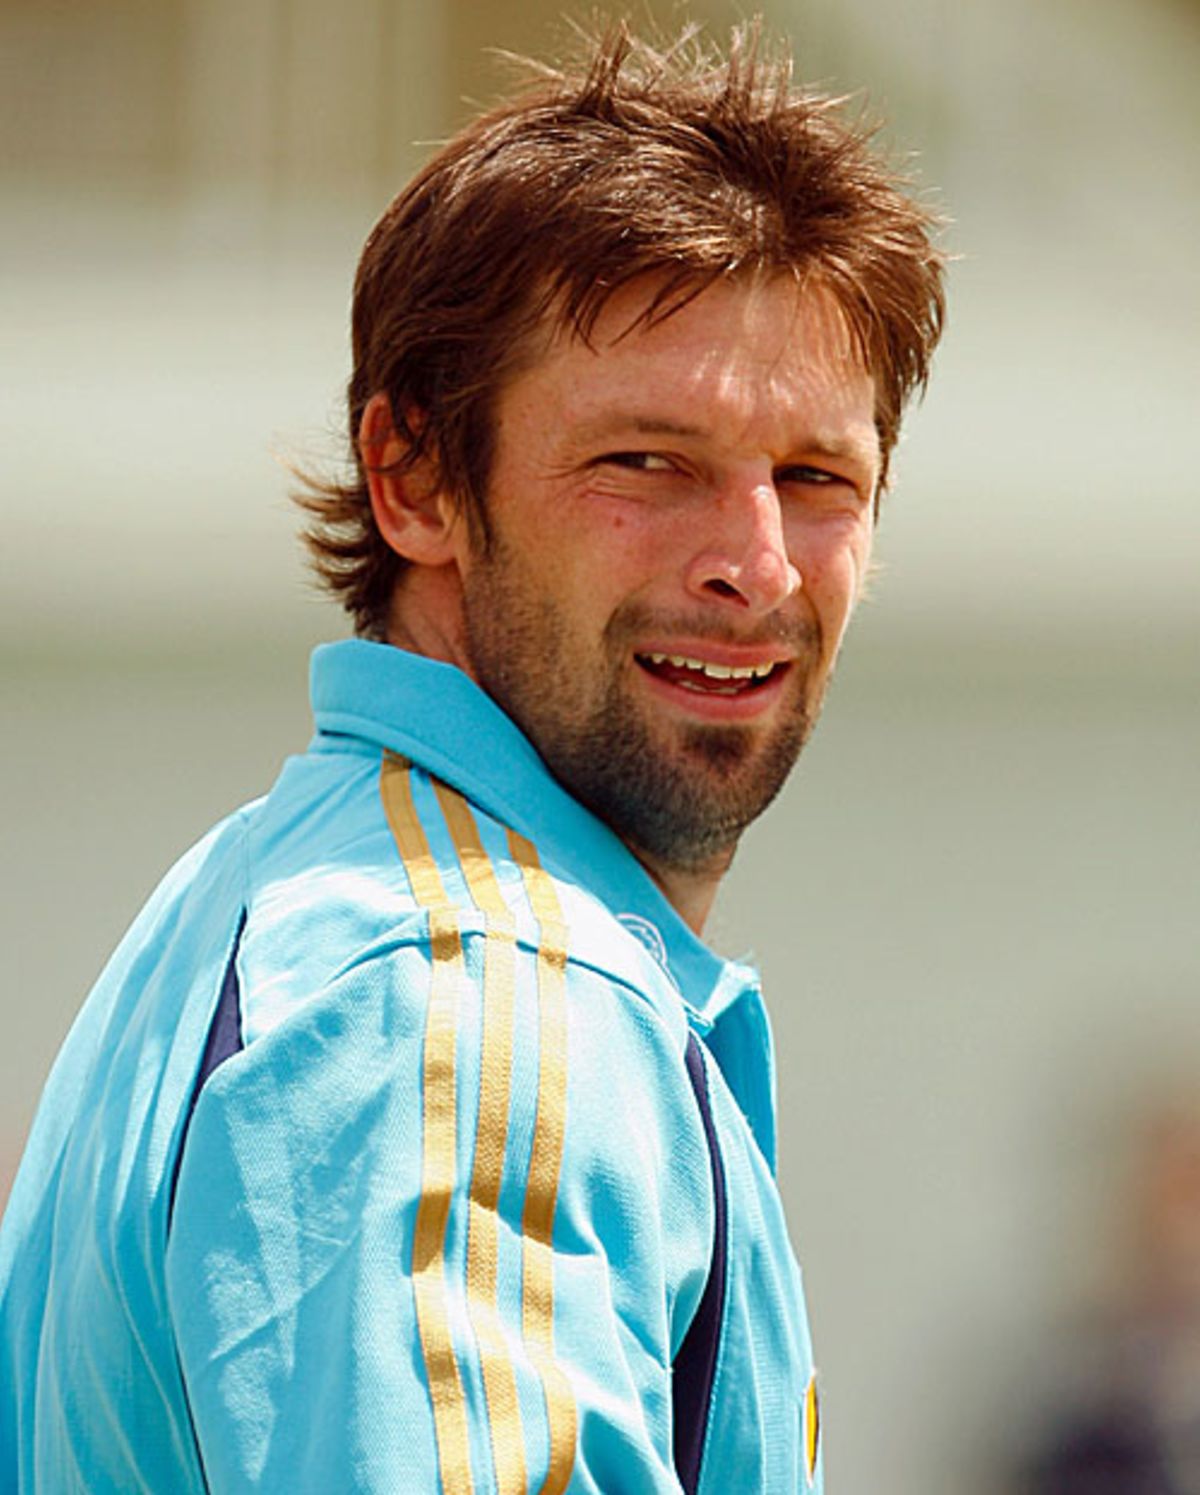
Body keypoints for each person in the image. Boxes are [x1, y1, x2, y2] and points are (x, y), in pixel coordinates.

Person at [0, 21, 944, 1494]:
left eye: (817, 477)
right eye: (648, 462)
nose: (757, 565)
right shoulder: (470, 995)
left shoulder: (267, 893)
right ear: (414, 479)